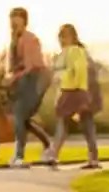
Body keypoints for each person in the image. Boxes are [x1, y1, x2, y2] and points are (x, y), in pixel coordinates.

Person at [43, 24, 101, 169]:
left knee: (67, 122)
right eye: (60, 37)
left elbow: (78, 71)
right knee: (83, 125)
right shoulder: (71, 52)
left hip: (75, 92)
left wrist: (73, 87)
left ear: (72, 37)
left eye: (64, 36)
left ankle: (54, 153)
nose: (62, 40)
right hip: (78, 92)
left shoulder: (75, 51)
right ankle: (92, 158)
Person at [6, 7, 53, 169]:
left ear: (24, 22)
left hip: (36, 79)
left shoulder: (30, 39)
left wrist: (13, 78)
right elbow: (12, 66)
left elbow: (30, 65)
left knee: (20, 115)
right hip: (23, 80)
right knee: (22, 119)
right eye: (12, 23)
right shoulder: (14, 40)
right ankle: (48, 145)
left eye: (17, 23)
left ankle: (19, 155)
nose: (14, 27)